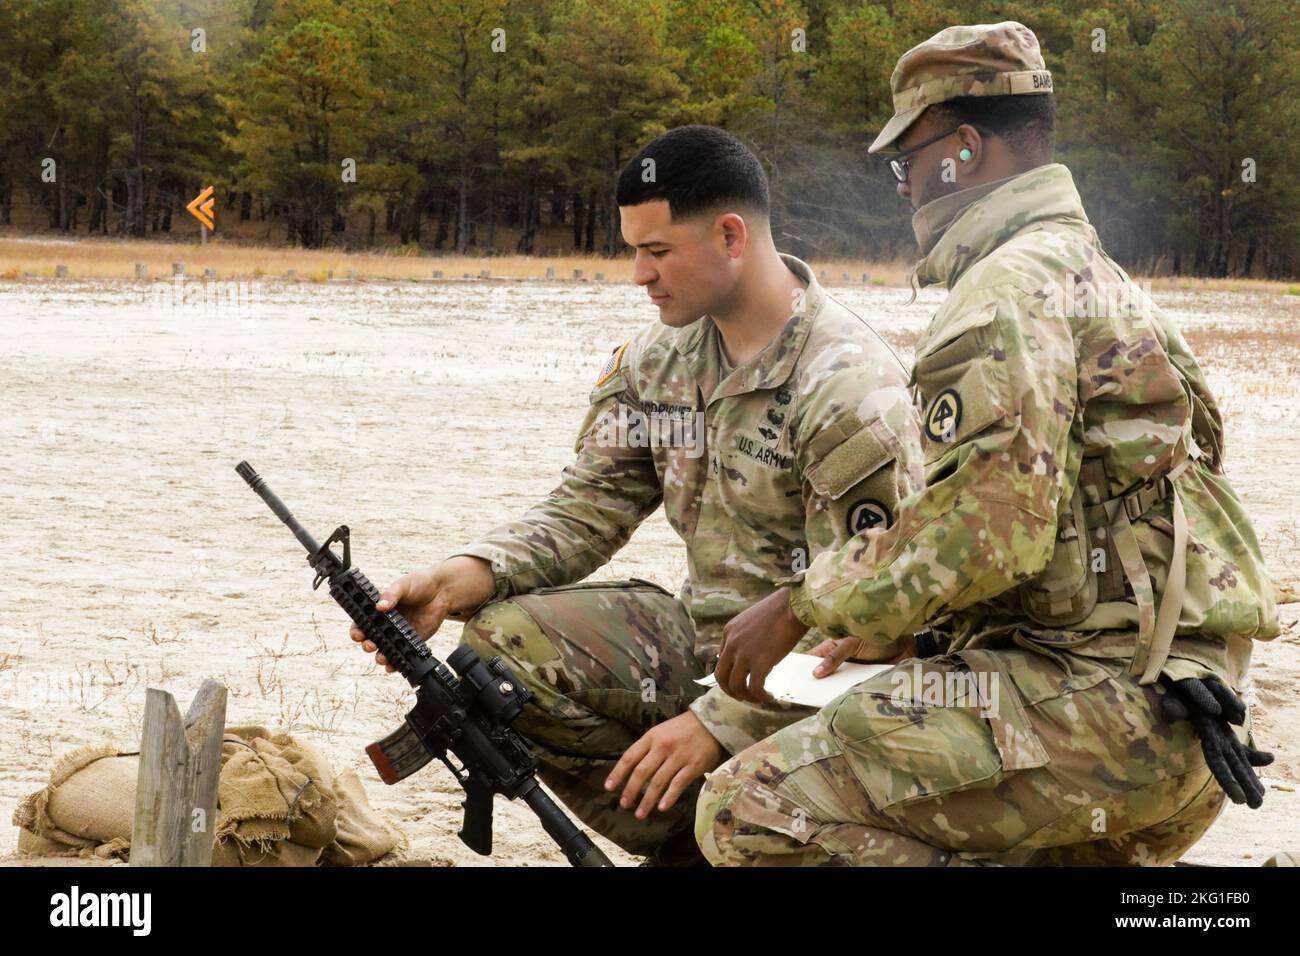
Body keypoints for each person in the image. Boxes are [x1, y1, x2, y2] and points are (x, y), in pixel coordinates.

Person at [696, 21, 1279, 866]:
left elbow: (986, 530)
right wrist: (925, 639)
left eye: (910, 161)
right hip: (1188, 711)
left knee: (748, 809)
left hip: (1103, 718)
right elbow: (1101, 529)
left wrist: (800, 605)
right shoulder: (1096, 274)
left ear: (964, 150)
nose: (903, 189)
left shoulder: (1004, 289)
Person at [349, 125, 923, 863]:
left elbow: (869, 619)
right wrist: (462, 577)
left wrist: (720, 722)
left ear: (729, 235)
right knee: (503, 646)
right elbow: (588, 504)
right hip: (703, 643)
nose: (638, 276)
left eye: (657, 252)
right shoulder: (659, 361)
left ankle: (753, 824)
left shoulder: (848, 386)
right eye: (633, 252)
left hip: (825, 684)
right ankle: (690, 840)